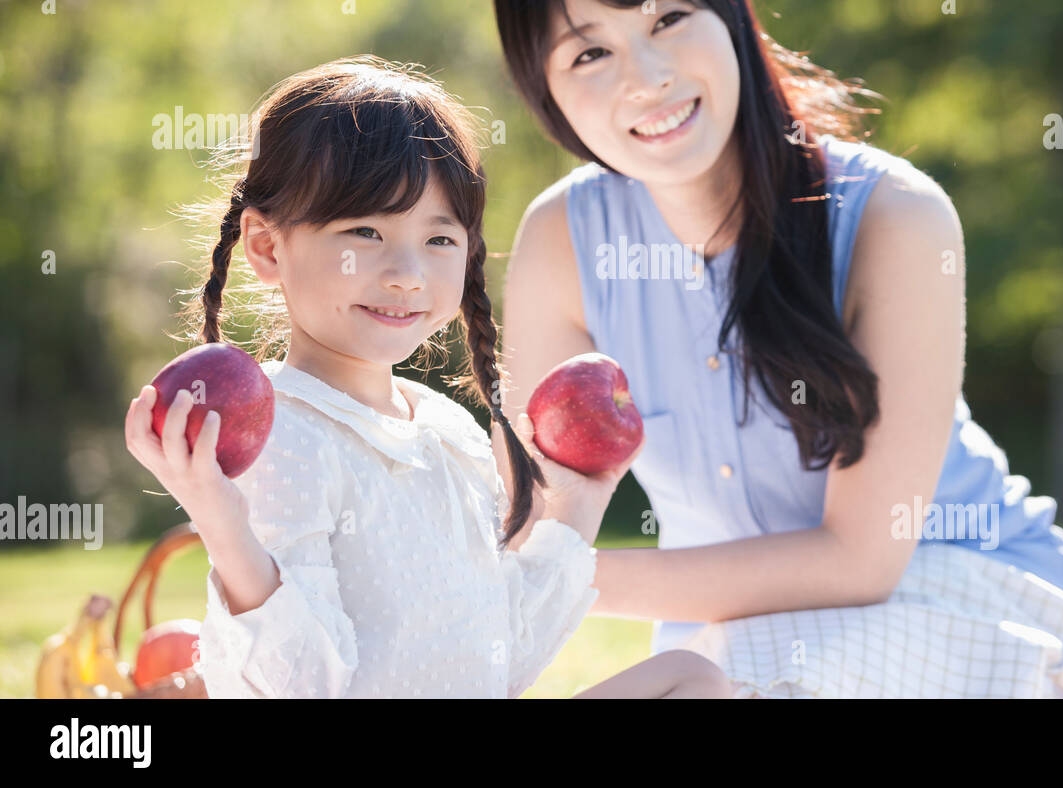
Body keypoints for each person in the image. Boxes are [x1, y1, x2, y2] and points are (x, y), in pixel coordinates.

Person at [489, 0, 1063, 697]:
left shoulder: (895, 216)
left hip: (958, 590)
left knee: (699, 682)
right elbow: (534, 513)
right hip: (737, 634)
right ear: (546, 95)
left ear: (732, 16)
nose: (646, 76)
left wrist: (562, 578)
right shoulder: (562, 239)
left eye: (669, 18)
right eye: (590, 52)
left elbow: (860, 560)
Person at [123, 55, 731, 699]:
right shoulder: (283, 435)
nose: (407, 272)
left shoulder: (449, 431)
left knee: (691, 680)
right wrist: (223, 523)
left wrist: (581, 503)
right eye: (365, 231)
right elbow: (302, 686)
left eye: (439, 239)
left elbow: (501, 659)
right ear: (269, 247)